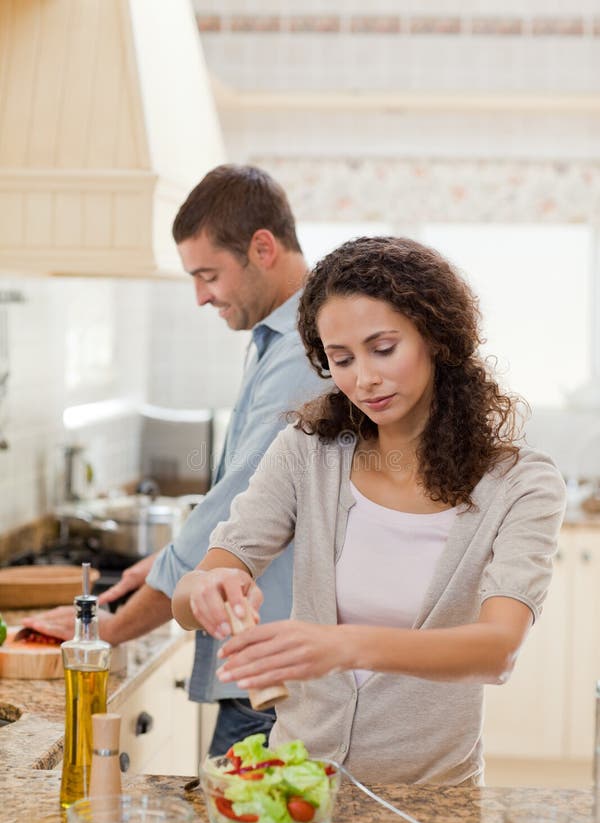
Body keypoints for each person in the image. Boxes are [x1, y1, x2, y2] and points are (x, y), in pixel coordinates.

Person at [171, 235, 567, 785]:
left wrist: (340, 647)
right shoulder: (307, 451)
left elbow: (497, 649)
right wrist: (205, 591)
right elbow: (196, 590)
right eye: (341, 359)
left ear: (435, 337)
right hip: (296, 784)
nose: (364, 378)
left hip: (432, 801)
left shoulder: (521, 483)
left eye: (383, 349)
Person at [23, 165, 323, 753]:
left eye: (209, 274)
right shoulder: (274, 340)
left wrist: (107, 633)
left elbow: (234, 510)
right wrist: (164, 559)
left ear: (262, 247)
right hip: (262, 659)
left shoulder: (300, 354)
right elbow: (249, 504)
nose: (201, 296)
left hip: (271, 672)